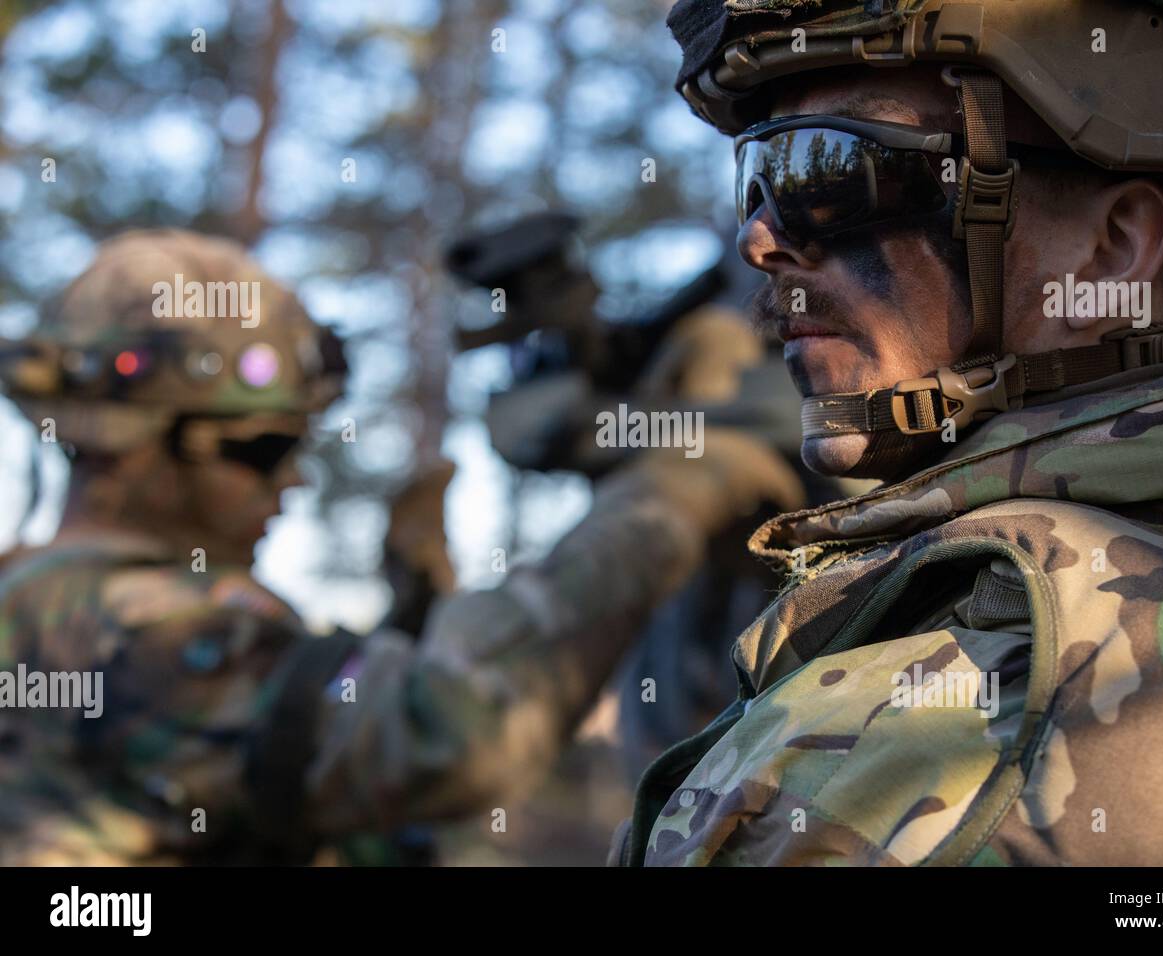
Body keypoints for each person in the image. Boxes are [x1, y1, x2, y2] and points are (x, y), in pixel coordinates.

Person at [612, 0, 1163, 866]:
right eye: (756, 177)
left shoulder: (907, 737)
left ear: (1113, 253)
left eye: (828, 171)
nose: (759, 239)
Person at [0, 228, 803, 864]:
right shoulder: (113, 627)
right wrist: (673, 493)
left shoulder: (63, 605)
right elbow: (454, 733)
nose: (293, 482)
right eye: (264, 447)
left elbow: (316, 787)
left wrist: (407, 621)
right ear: (135, 444)